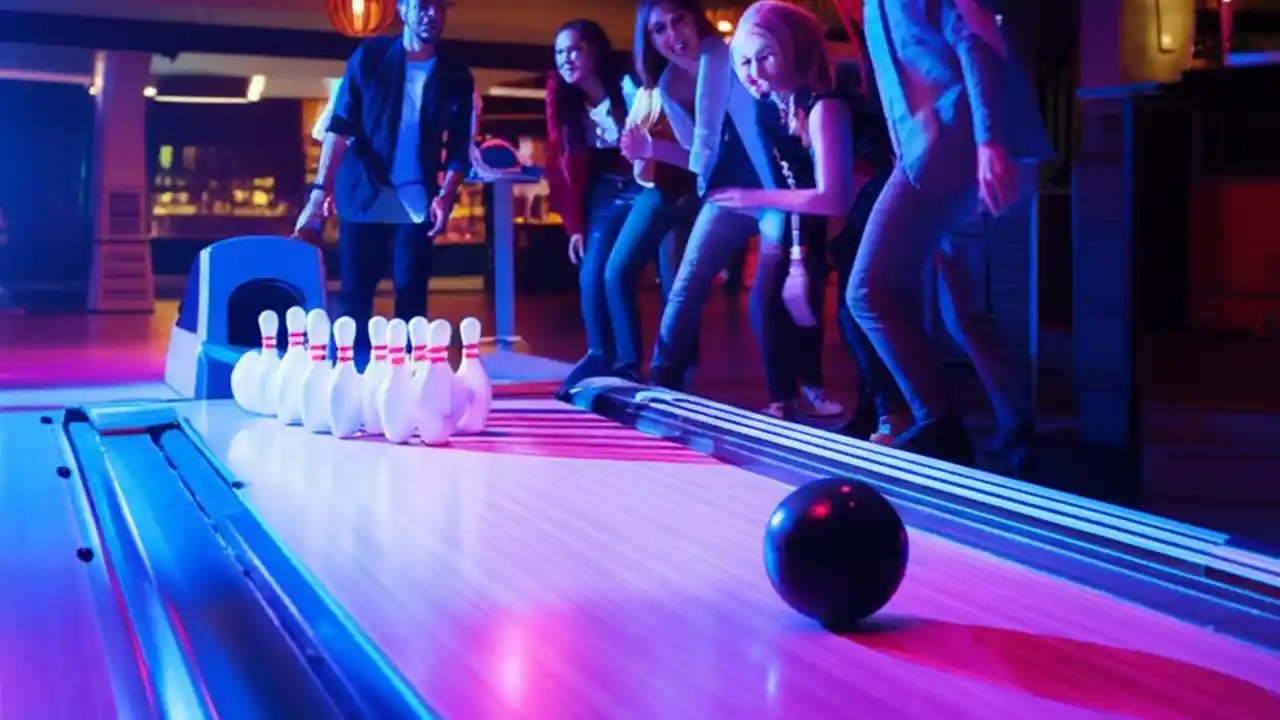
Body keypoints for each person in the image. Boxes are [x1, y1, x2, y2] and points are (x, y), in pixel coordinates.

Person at [852, 0, 1054, 469]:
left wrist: (989, 141)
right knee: (963, 311)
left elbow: (974, 40)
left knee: (867, 291)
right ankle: (1018, 431)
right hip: (938, 149)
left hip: (947, 147)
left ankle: (939, 425)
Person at [622, 0, 841, 418]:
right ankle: (660, 381)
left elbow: (757, 123)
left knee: (781, 289)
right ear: (648, 41)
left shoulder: (724, 55)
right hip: (730, 189)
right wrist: (651, 149)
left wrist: (792, 193)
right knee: (688, 281)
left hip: (775, 185)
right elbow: (696, 153)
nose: (672, 36)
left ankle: (799, 388)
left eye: (678, 20)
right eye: (659, 30)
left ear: (695, 18)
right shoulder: (668, 84)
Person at [707, 0, 910, 438]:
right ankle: (876, 411)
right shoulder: (773, 108)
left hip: (883, 198)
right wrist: (799, 260)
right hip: (853, 210)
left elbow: (831, 195)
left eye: (765, 56)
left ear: (794, 51)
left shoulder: (825, 105)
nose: (753, 71)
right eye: (743, 60)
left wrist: (751, 196)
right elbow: (800, 184)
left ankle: (897, 414)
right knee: (850, 310)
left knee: (861, 310)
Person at [293, 0, 475, 368]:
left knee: (411, 291)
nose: (433, 15)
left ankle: (410, 377)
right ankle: (348, 375)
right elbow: (340, 126)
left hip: (417, 195)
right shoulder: (371, 56)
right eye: (423, 6)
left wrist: (447, 194)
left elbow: (459, 146)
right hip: (364, 190)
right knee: (356, 293)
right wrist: (319, 192)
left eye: (440, 7)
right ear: (402, 9)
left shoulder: (455, 72)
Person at [544, 19, 646, 393]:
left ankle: (631, 363)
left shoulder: (627, 86)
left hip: (645, 184)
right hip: (603, 190)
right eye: (559, 52)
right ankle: (600, 354)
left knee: (616, 273)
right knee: (590, 273)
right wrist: (575, 226)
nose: (565, 59)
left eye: (574, 49)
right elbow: (561, 167)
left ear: (595, 50)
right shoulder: (563, 99)